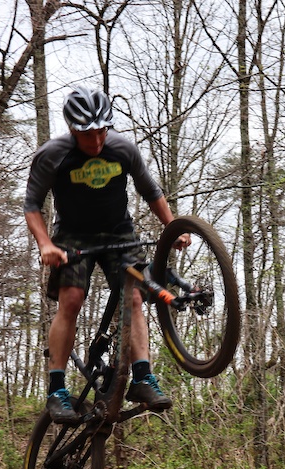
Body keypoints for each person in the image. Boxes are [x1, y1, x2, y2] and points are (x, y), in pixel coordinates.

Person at [24, 86, 189, 424]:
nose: (97, 140)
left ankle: (142, 378)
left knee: (135, 299)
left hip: (119, 232)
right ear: (73, 129)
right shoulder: (52, 154)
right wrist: (45, 244)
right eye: (88, 133)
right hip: (73, 235)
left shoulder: (122, 148)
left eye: (102, 130)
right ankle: (57, 390)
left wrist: (174, 228)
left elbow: (151, 191)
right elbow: (32, 206)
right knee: (71, 299)